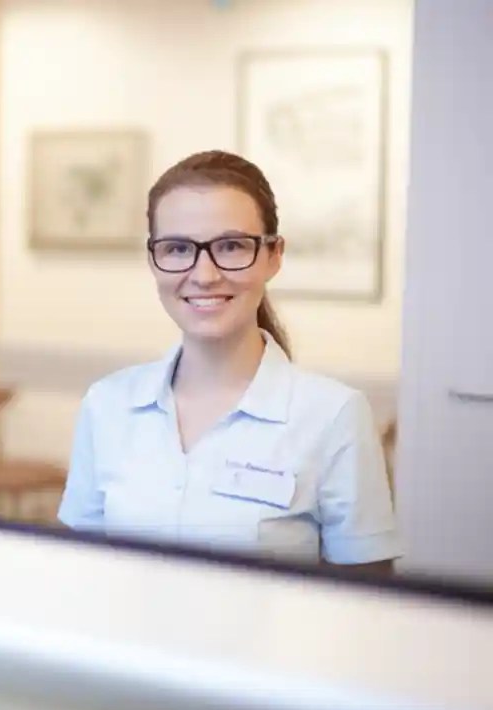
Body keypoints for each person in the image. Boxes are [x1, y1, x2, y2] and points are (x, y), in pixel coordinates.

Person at [57, 150, 401, 572]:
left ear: (274, 256)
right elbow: (80, 572)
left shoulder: (333, 416)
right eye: (178, 248)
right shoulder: (106, 405)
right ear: (153, 260)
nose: (204, 274)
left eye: (232, 246)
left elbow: (369, 605)